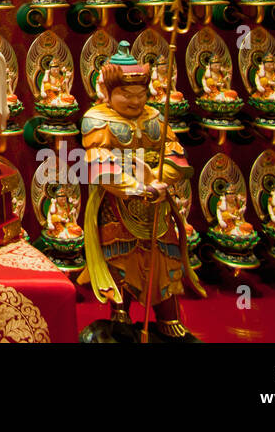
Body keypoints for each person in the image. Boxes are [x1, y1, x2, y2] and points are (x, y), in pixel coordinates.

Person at [79, 42, 203, 342]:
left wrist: (162, 180)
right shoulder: (97, 120)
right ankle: (121, 316)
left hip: (156, 206)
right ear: (106, 93)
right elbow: (98, 164)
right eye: (126, 95)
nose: (135, 102)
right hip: (117, 205)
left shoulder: (155, 119)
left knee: (164, 259)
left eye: (140, 95)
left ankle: (169, 320)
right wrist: (136, 187)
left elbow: (175, 155)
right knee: (121, 260)